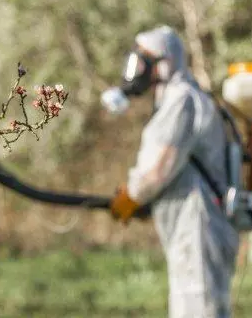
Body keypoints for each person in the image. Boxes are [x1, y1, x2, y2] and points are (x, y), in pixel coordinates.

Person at [102, 25, 240, 318]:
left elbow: (158, 169)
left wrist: (132, 198)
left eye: (144, 61)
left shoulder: (181, 100)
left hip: (198, 226)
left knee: (200, 309)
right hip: (189, 228)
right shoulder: (176, 99)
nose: (137, 69)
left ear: (165, 63)